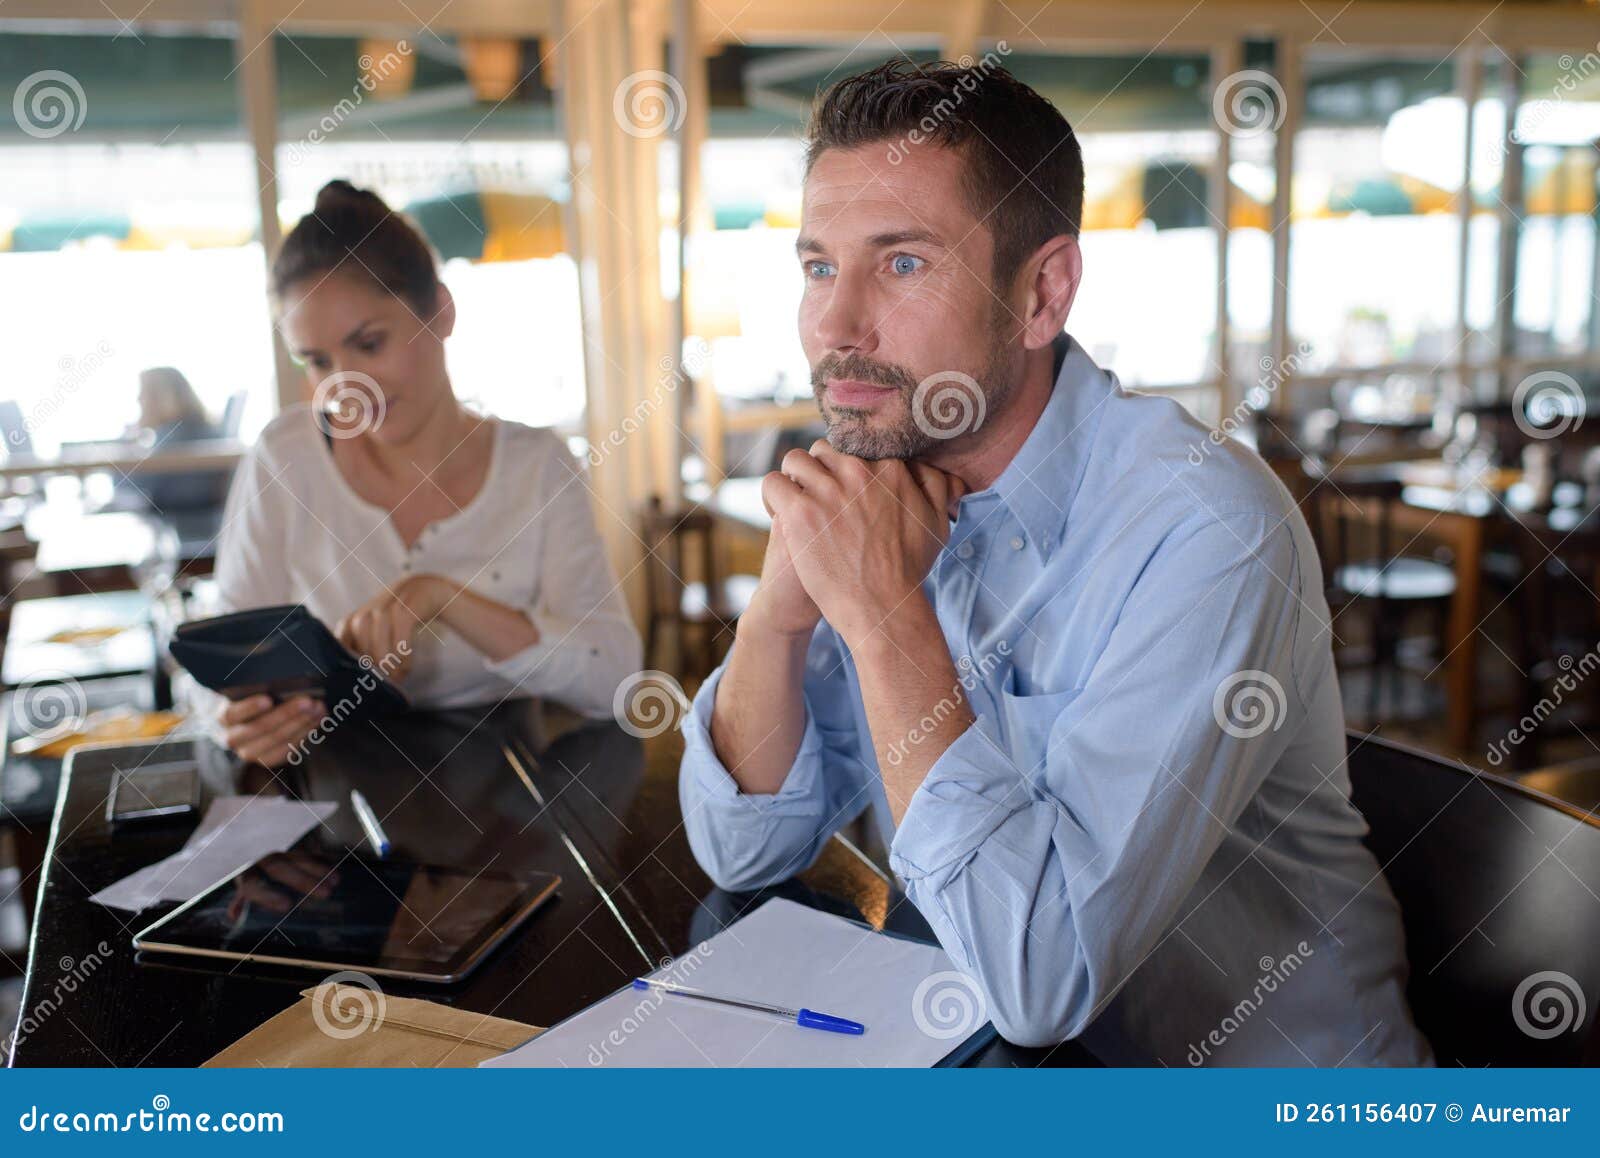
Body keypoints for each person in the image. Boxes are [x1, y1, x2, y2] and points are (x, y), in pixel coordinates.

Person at [677, 61, 1433, 1066]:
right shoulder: (887, 488)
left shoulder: (1204, 527)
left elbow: (1043, 981)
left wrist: (883, 615)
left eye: (900, 263)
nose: (833, 324)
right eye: (818, 267)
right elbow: (745, 847)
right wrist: (779, 613)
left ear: (1040, 293)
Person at [214, 179, 640, 767]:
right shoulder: (285, 456)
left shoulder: (537, 466)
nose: (346, 388)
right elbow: (225, 662)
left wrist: (441, 597)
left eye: (369, 343)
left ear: (441, 312)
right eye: (317, 361)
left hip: (503, 794)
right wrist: (239, 722)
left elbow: (614, 679)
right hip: (330, 784)